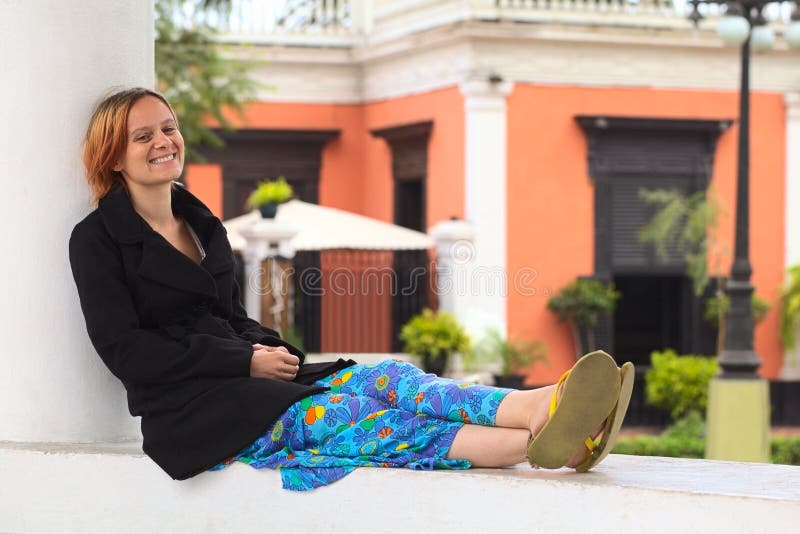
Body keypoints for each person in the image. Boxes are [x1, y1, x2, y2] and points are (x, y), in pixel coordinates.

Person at [69, 87, 635, 491]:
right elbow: (128, 353)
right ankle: (544, 440)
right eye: (142, 136)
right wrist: (243, 362)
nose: (163, 141)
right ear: (113, 156)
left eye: (168, 127)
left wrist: (272, 351)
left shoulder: (204, 226)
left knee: (390, 376)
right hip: (195, 414)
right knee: (354, 415)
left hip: (253, 379)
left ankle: (539, 404)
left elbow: (230, 317)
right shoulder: (98, 239)